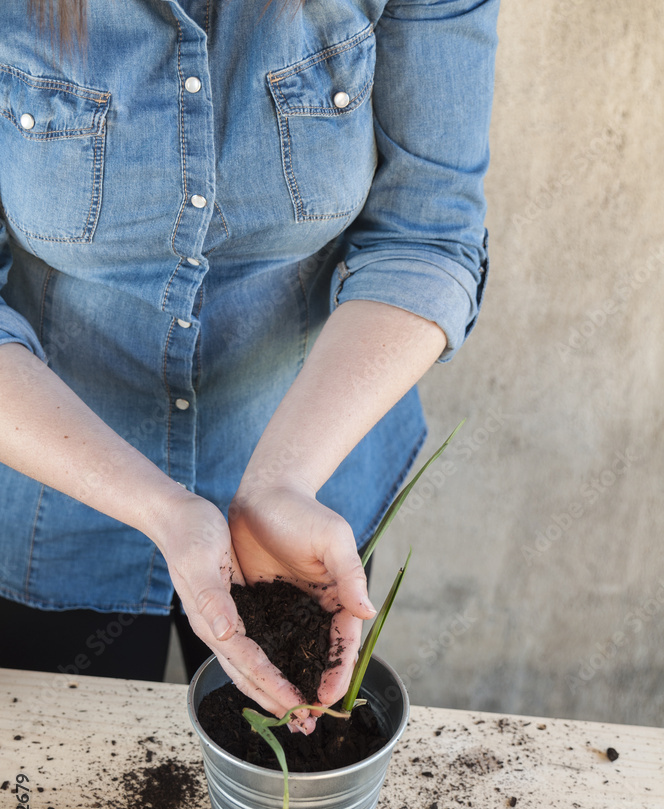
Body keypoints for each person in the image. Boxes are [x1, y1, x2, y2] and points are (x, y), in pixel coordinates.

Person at [0, 0, 498, 729]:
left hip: (302, 503)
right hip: (59, 501)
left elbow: (427, 236)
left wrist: (283, 483)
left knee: (288, 785)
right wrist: (161, 509)